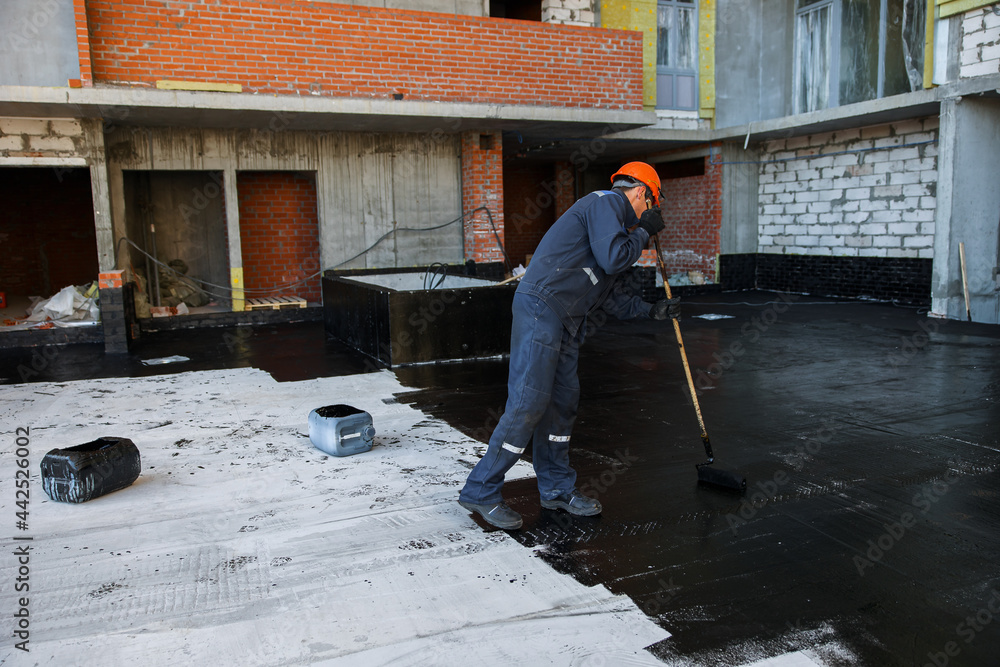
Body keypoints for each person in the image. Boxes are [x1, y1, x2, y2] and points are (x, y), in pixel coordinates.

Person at [458, 161, 681, 529]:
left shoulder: (613, 229)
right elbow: (614, 257)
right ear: (642, 192)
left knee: (561, 404)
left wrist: (652, 310)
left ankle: (557, 489)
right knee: (530, 401)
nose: (648, 212)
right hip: (542, 310)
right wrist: (643, 232)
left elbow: (610, 295)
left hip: (565, 321)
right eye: (650, 205)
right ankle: (481, 489)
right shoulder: (605, 203)